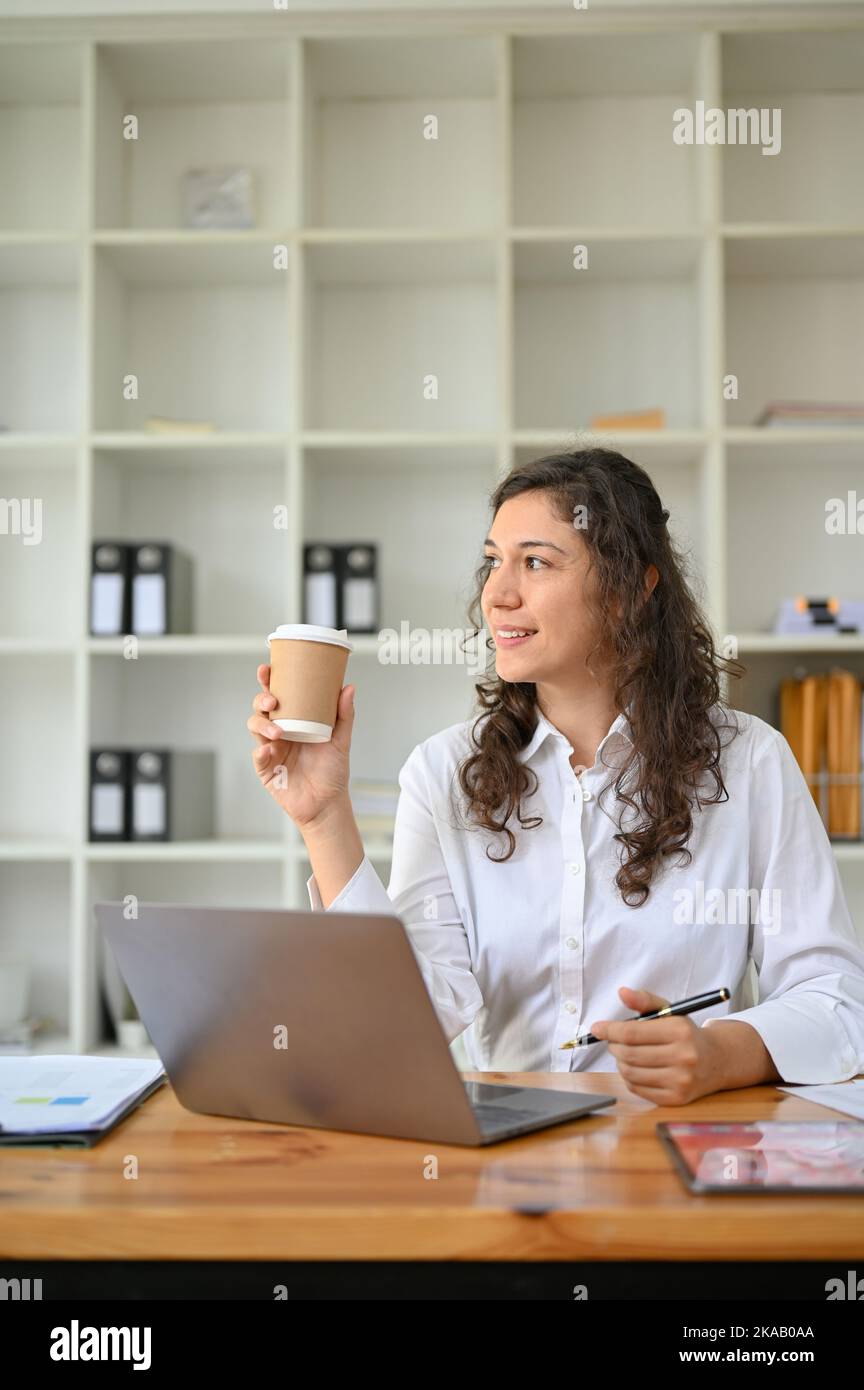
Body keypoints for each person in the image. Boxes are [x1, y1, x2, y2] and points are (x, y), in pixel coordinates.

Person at [247, 447, 864, 1105]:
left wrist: (721, 1053)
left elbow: (836, 1000)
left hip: (676, 1152)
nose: (496, 593)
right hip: (503, 1163)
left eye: (536, 562)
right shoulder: (442, 773)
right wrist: (322, 818)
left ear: (631, 588)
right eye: (493, 561)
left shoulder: (752, 763)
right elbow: (398, 1026)